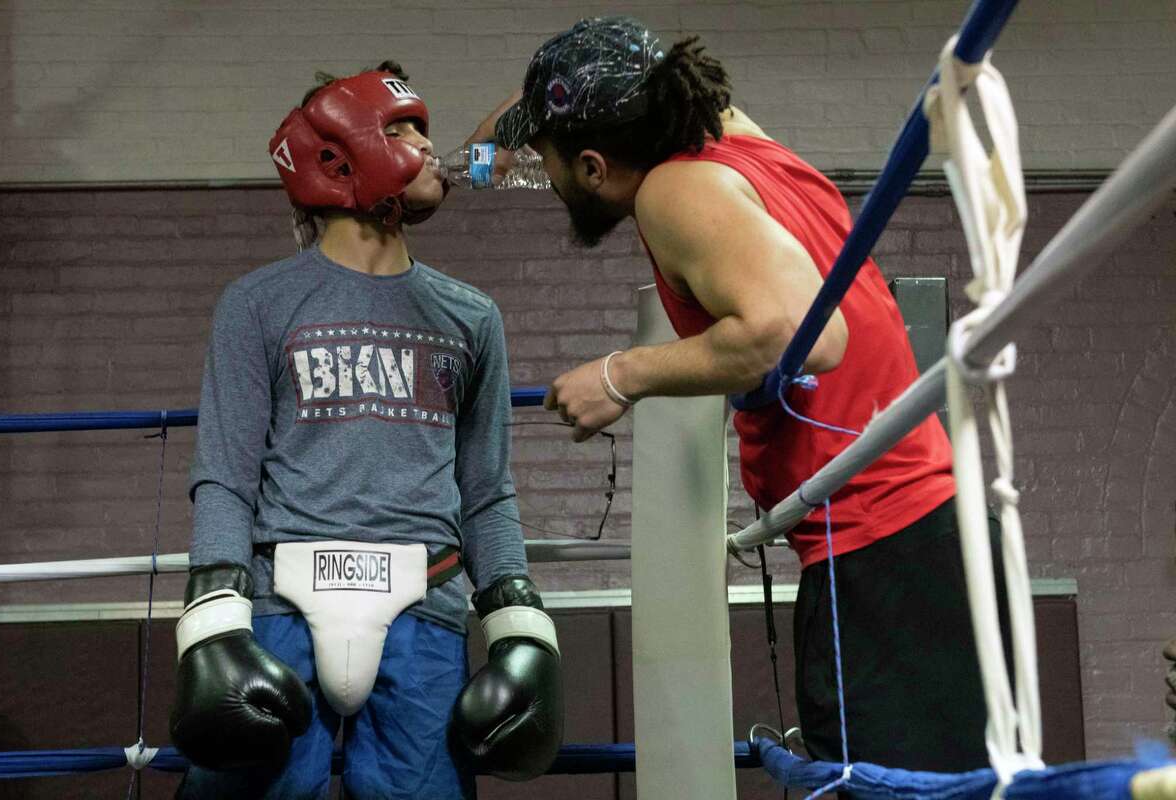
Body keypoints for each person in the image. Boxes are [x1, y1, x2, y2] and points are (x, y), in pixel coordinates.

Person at [466, 16, 1007, 776]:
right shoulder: (731, 139)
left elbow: (808, 335)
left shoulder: (671, 193)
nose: (548, 182)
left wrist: (620, 375)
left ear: (593, 166)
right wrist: (486, 150)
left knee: (895, 790)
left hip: (877, 552)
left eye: (551, 167)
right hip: (924, 533)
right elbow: (615, 83)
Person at [168, 62, 563, 799]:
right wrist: (215, 621)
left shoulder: (471, 316)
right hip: (280, 604)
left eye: (422, 128)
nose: (425, 145)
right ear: (341, 155)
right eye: (403, 129)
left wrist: (516, 619)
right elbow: (225, 472)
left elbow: (486, 490)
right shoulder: (258, 304)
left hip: (427, 609)